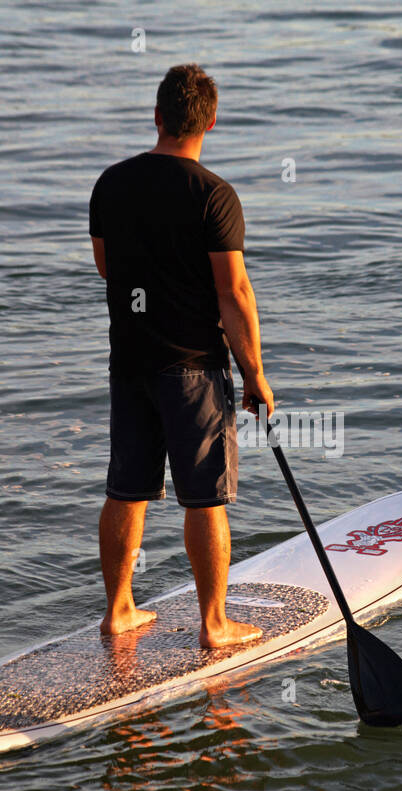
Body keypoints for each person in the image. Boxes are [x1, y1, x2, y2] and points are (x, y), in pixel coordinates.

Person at [89, 63, 275, 648]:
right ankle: (214, 625)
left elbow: (106, 267)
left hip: (130, 362)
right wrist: (255, 374)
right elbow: (234, 292)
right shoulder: (214, 195)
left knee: (127, 487)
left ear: (158, 116)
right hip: (194, 366)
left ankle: (119, 610)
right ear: (211, 122)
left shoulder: (111, 183)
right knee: (206, 495)